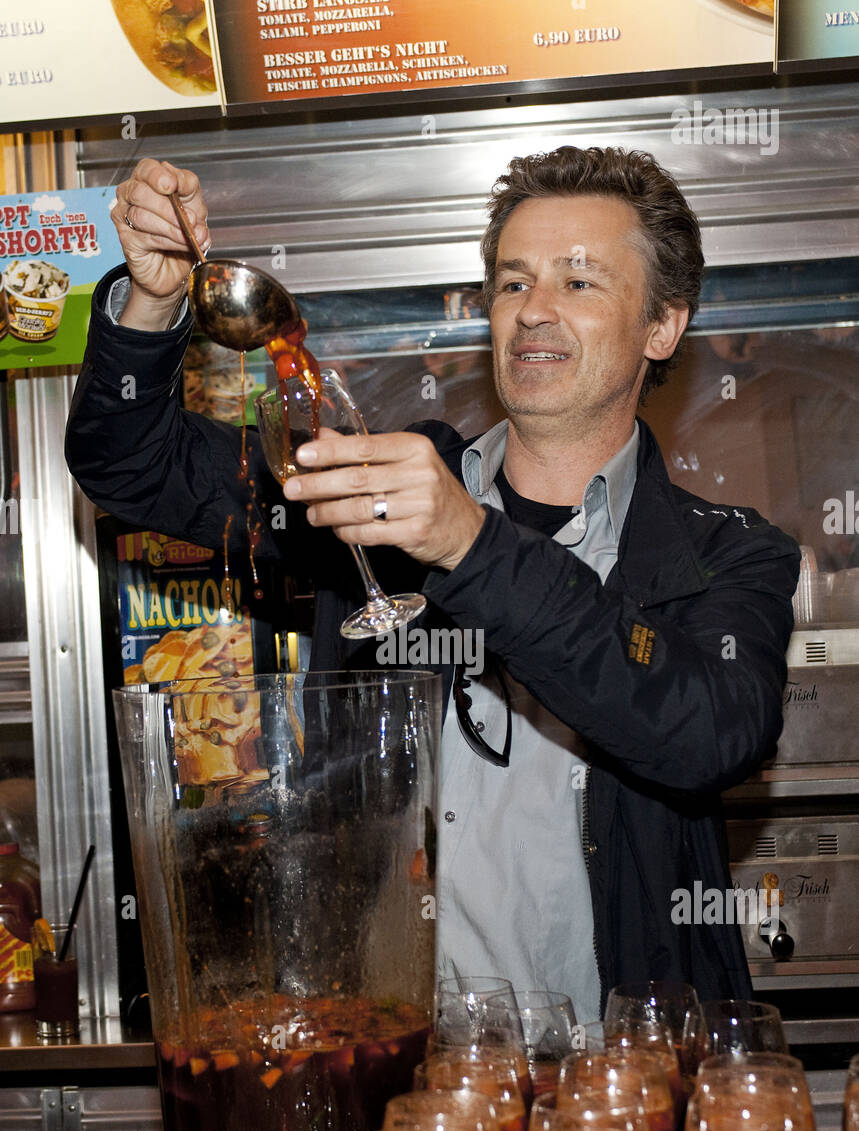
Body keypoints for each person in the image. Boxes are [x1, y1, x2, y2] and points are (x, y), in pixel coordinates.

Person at [65, 147, 800, 1020]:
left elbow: (706, 735)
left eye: (579, 283)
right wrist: (150, 301)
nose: (534, 312)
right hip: (403, 1075)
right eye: (513, 282)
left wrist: (470, 542)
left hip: (622, 1088)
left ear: (661, 327)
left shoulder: (725, 552)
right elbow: (130, 466)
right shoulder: (378, 491)